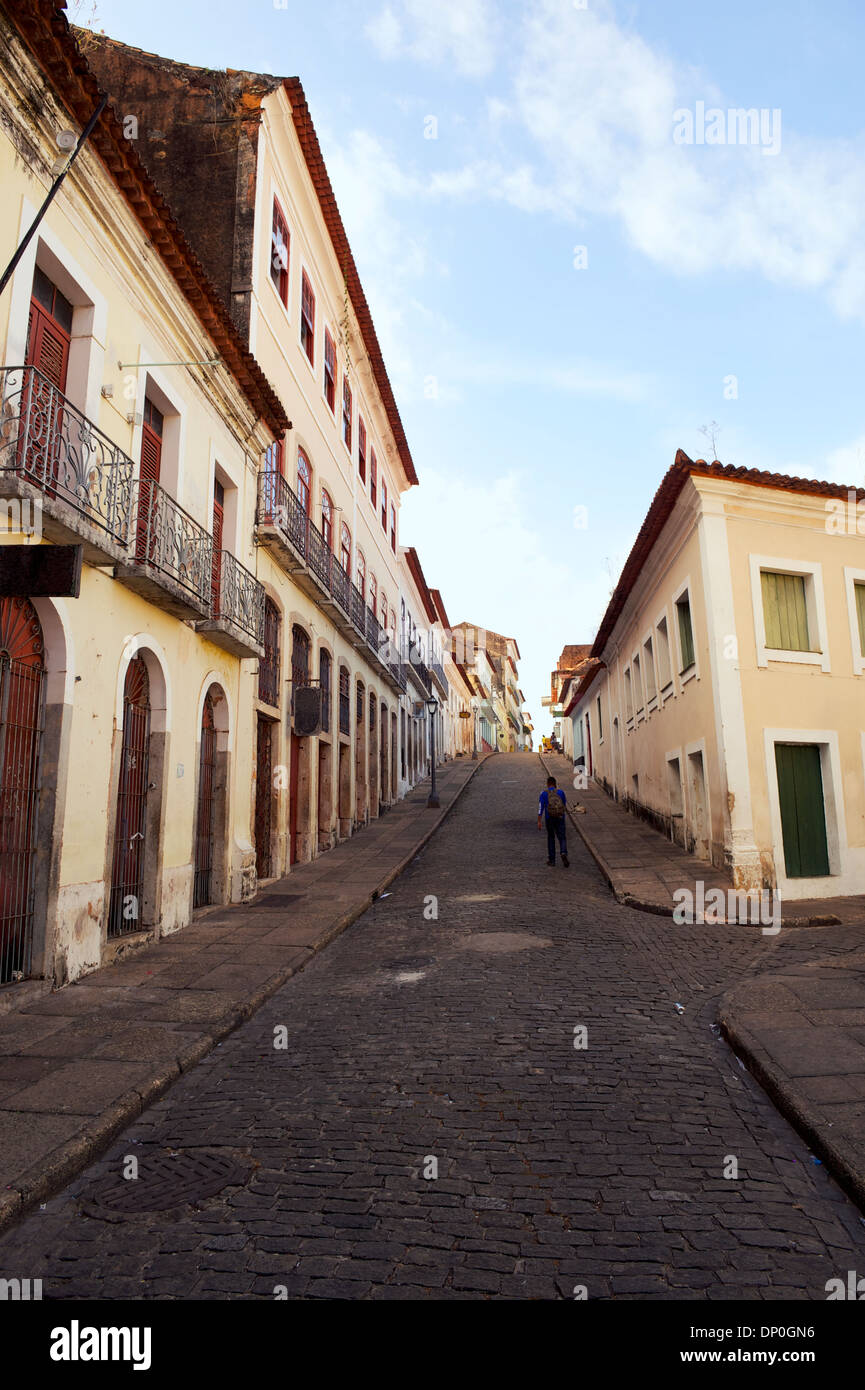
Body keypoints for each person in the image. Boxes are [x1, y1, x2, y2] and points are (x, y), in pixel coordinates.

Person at [538, 775, 569, 867]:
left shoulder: (544, 794)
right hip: (560, 817)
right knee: (562, 837)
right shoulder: (561, 792)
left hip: (549, 818)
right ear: (555, 784)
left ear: (547, 784)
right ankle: (563, 852)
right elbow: (564, 805)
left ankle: (552, 860)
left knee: (551, 838)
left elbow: (540, 808)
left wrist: (539, 821)